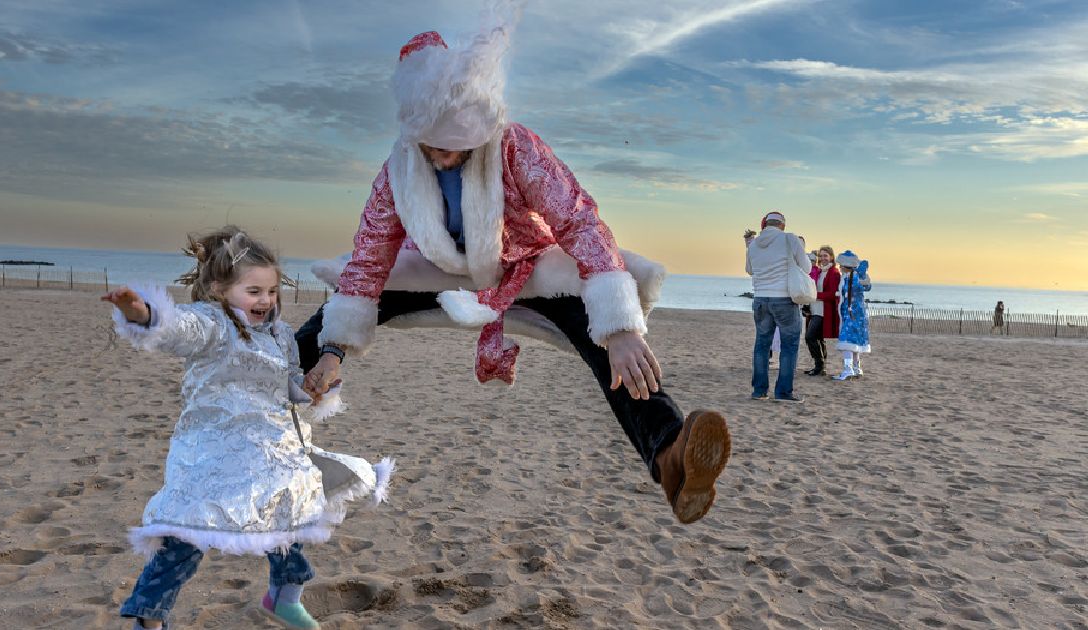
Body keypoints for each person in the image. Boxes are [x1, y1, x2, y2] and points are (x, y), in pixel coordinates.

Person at [297, 23, 731, 526]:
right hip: (436, 271)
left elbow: (579, 221)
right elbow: (370, 260)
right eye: (432, 144)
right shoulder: (396, 170)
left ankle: (669, 453)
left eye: (455, 142)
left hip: (523, 266)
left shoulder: (516, 146)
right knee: (325, 320)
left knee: (605, 344)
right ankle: (263, 387)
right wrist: (333, 351)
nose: (443, 155)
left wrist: (621, 327)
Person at [102, 226, 393, 630]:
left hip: (274, 448)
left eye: (271, 291)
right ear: (221, 290)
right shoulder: (212, 325)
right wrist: (142, 313)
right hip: (214, 453)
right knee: (185, 535)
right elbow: (176, 330)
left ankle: (283, 598)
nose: (266, 300)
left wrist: (311, 389)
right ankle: (149, 618)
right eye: (253, 291)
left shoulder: (281, 334)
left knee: (291, 515)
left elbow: (288, 381)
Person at [745, 211, 811, 402]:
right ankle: (783, 392)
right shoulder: (789, 239)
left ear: (765, 224)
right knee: (789, 346)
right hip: (784, 299)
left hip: (760, 299)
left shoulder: (754, 244)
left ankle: (759, 391)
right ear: (782, 225)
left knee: (761, 345)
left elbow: (749, 270)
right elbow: (806, 267)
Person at [832, 250, 872, 381]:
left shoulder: (853, 277)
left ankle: (848, 369)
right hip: (856, 313)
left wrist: (862, 275)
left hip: (852, 313)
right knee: (854, 341)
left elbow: (866, 286)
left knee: (847, 340)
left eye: (840, 265)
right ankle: (856, 367)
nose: (839, 267)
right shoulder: (850, 277)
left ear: (845, 265)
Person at [804, 245, 841, 375]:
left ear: (831, 257)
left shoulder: (834, 273)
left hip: (824, 311)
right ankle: (820, 367)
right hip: (814, 309)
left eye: (825, 255)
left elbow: (833, 294)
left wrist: (815, 295)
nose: (822, 258)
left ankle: (819, 366)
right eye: (821, 256)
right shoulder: (819, 271)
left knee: (810, 337)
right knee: (818, 338)